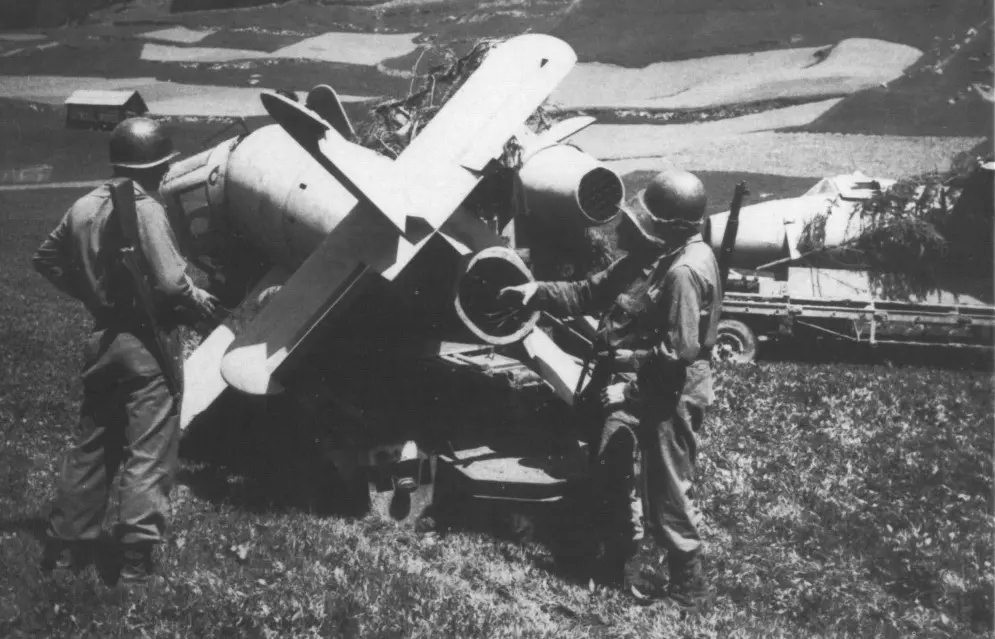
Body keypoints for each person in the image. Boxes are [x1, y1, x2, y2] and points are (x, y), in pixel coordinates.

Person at [499, 168, 722, 609]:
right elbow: (590, 292)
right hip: (639, 384)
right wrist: (536, 292)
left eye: (648, 219)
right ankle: (620, 561)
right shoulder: (655, 257)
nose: (635, 226)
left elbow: (676, 354)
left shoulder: (682, 272)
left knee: (668, 491)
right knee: (613, 467)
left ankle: (690, 591)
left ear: (670, 226)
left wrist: (630, 394)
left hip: (666, 390)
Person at [32, 117, 218, 590]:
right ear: (157, 166)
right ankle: (135, 561)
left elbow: (45, 258)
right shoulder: (146, 209)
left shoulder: (82, 206)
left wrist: (94, 296)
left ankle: (65, 547)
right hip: (147, 344)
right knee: (148, 451)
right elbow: (172, 281)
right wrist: (199, 300)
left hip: (103, 342)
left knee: (92, 444)